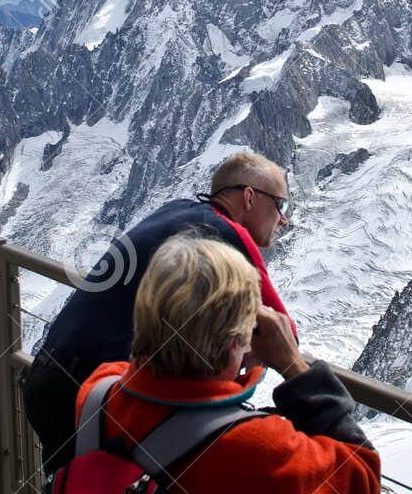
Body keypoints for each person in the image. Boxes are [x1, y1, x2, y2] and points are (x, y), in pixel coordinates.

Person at [67, 234, 380, 494]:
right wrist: (294, 366)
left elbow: (141, 373)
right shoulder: (255, 447)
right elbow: (360, 474)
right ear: (237, 339)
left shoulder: (97, 395)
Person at [26, 151, 295, 472]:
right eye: (281, 205)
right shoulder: (228, 233)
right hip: (91, 395)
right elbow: (282, 331)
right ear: (250, 197)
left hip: (51, 377)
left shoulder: (177, 209)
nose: (284, 219)